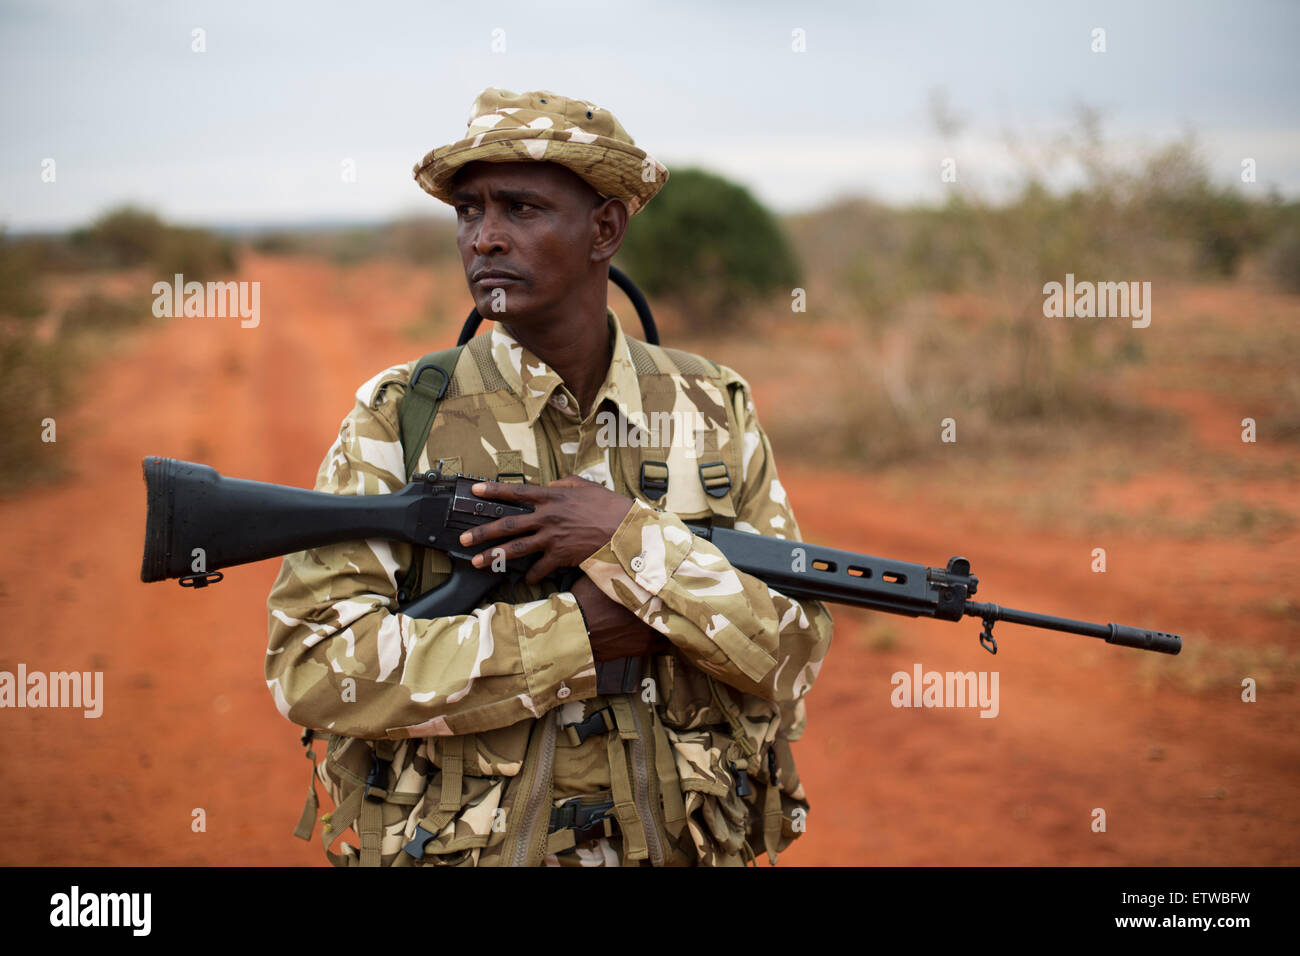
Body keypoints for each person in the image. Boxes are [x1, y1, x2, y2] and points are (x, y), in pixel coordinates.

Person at [265, 88, 834, 867]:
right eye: (469, 211)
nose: (486, 239)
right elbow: (315, 670)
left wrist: (626, 540)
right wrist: (581, 636)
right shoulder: (404, 413)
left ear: (605, 228)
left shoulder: (709, 406)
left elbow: (793, 647)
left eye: (522, 210)